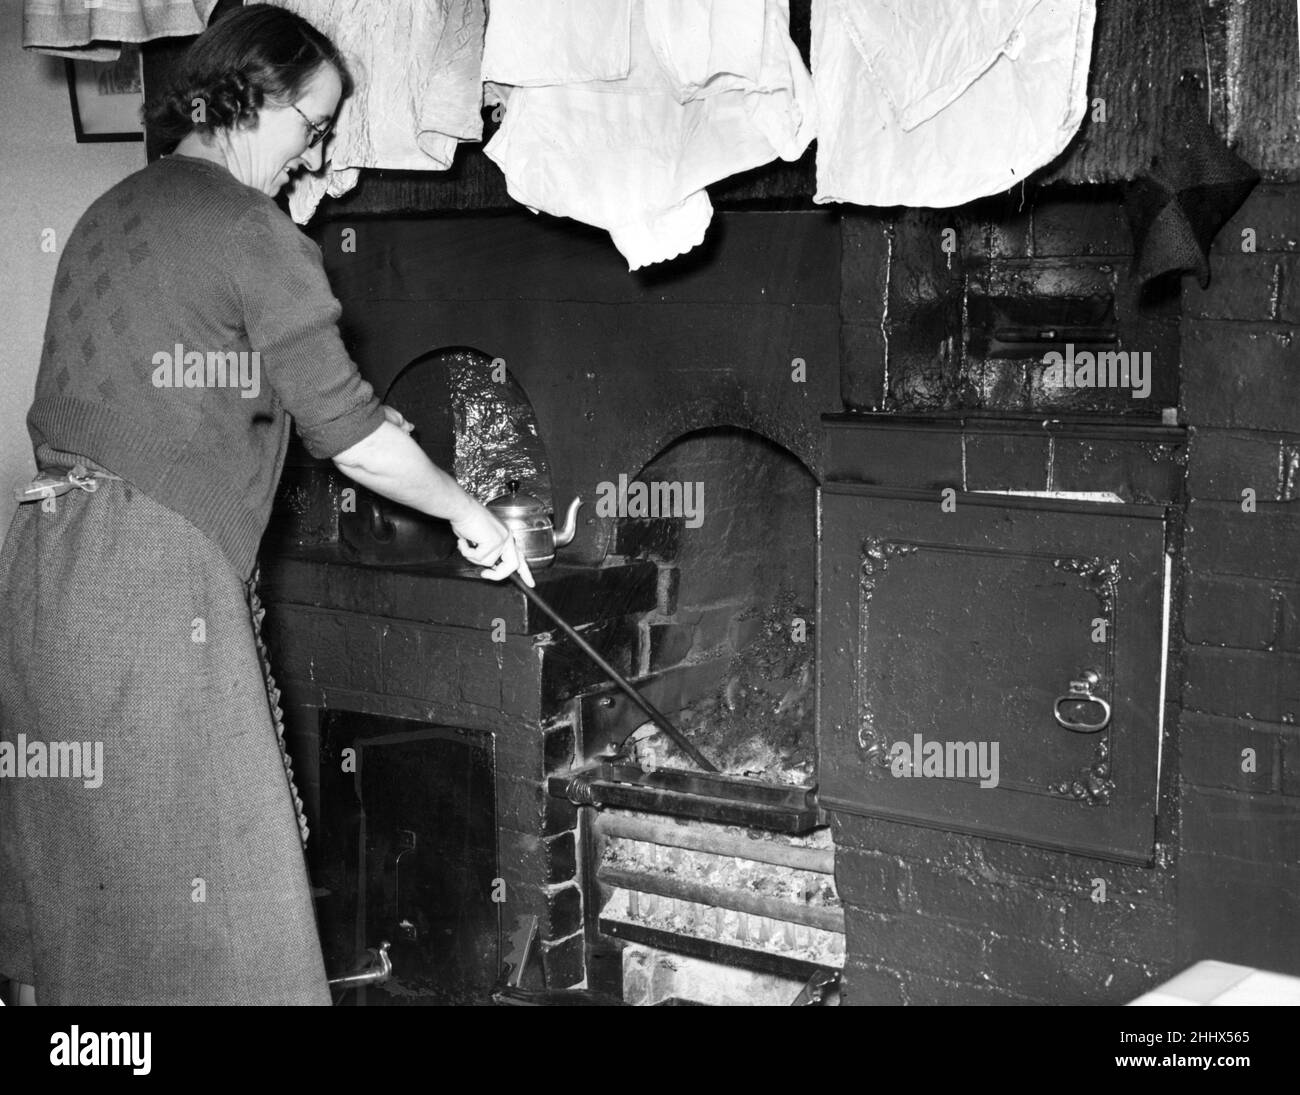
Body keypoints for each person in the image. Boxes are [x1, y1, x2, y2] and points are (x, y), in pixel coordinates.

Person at [0, 3, 531, 1006]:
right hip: (147, 591)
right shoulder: (248, 232)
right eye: (314, 126)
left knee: (98, 895)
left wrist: (355, 422)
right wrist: (466, 509)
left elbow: (190, 391)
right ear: (257, 96)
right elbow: (351, 438)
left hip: (44, 571)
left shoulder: (121, 207)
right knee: (220, 914)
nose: (320, 152)